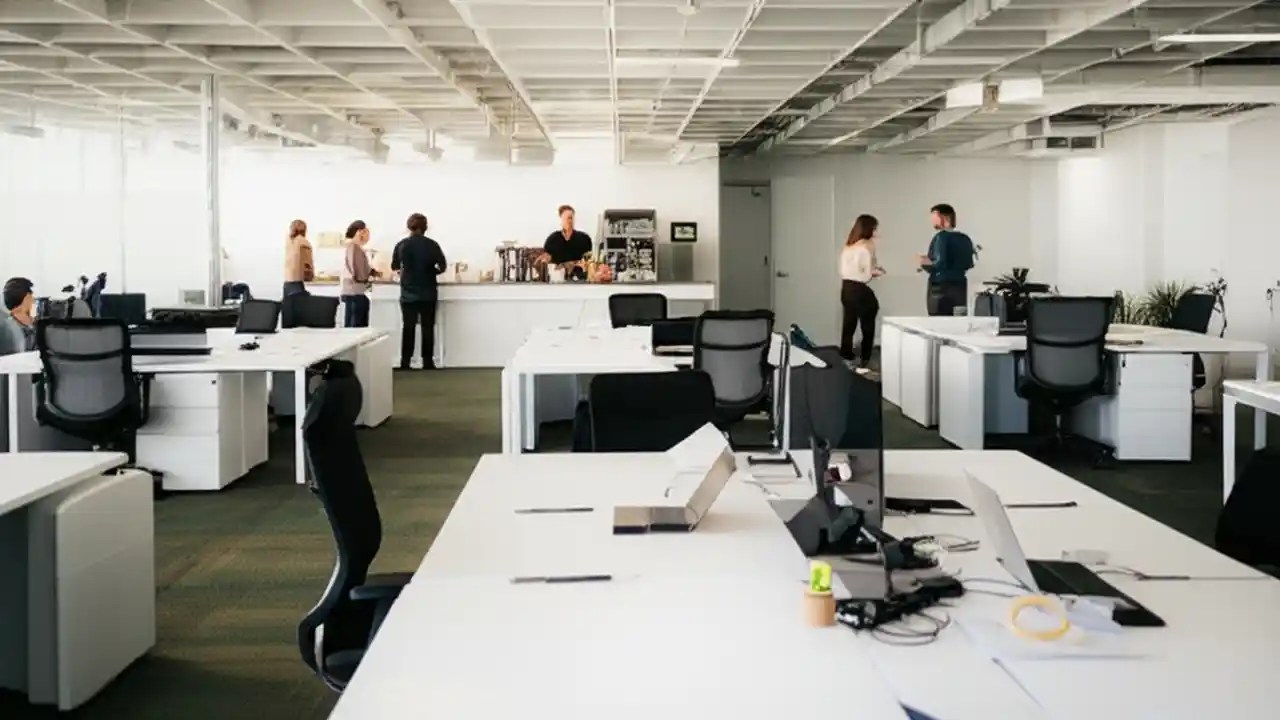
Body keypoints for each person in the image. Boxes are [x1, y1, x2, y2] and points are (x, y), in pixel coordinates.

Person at [391, 213, 447, 370]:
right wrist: (430, 272)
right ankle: (428, 362)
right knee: (427, 327)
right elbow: (442, 266)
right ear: (426, 227)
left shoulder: (402, 245)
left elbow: (394, 266)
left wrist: (405, 273)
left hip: (408, 293)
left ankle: (405, 362)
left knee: (408, 327)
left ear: (409, 226)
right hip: (428, 292)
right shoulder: (432, 245)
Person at [839, 215, 884, 368]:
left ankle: (846, 355)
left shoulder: (848, 246)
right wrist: (877, 272)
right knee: (868, 323)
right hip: (859, 289)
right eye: (875, 228)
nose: (876, 231)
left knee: (849, 323)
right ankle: (866, 357)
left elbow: (848, 270)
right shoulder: (867, 246)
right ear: (869, 229)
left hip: (846, 289)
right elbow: (866, 274)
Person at [917, 203, 975, 316]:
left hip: (940, 287)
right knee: (957, 320)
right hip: (960, 285)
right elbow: (969, 263)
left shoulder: (941, 237)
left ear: (944, 218)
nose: (932, 220)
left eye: (934, 216)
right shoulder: (965, 238)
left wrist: (922, 261)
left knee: (938, 320)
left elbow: (939, 263)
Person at [341, 219, 379, 328]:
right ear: (360, 232)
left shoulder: (354, 247)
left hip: (354, 291)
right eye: (366, 233)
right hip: (354, 291)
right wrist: (368, 278)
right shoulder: (353, 247)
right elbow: (357, 271)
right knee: (356, 327)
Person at [542, 205, 593, 280]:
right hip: (557, 279)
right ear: (561, 219)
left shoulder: (584, 238)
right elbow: (547, 261)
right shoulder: (552, 239)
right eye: (567, 218)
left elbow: (588, 261)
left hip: (579, 279)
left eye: (571, 218)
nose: (569, 221)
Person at [0, 277, 36, 356]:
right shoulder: (10, 329)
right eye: (31, 296)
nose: (33, 300)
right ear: (26, 297)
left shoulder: (7, 325)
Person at [283, 219, 314, 298]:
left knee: (288, 308)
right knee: (300, 308)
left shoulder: (288, 241)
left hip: (287, 283)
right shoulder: (304, 243)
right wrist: (310, 276)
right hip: (297, 282)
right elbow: (307, 264)